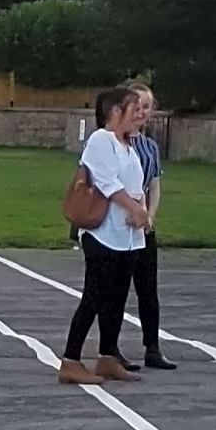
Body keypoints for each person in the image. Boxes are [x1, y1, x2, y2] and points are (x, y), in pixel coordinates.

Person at [58, 86, 151, 385]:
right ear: (115, 112)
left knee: (118, 298)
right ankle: (71, 360)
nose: (140, 114)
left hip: (127, 236)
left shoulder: (128, 145)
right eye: (133, 108)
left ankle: (107, 356)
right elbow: (108, 183)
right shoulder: (101, 141)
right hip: (103, 234)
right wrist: (134, 209)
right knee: (95, 296)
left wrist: (143, 211)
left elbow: (138, 184)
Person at [124, 82, 174, 372]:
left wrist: (149, 217)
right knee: (113, 290)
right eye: (137, 105)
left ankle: (152, 347)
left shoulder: (149, 147)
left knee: (148, 290)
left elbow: (154, 185)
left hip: (143, 226)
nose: (142, 112)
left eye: (147, 106)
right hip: (118, 225)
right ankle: (110, 348)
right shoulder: (112, 141)